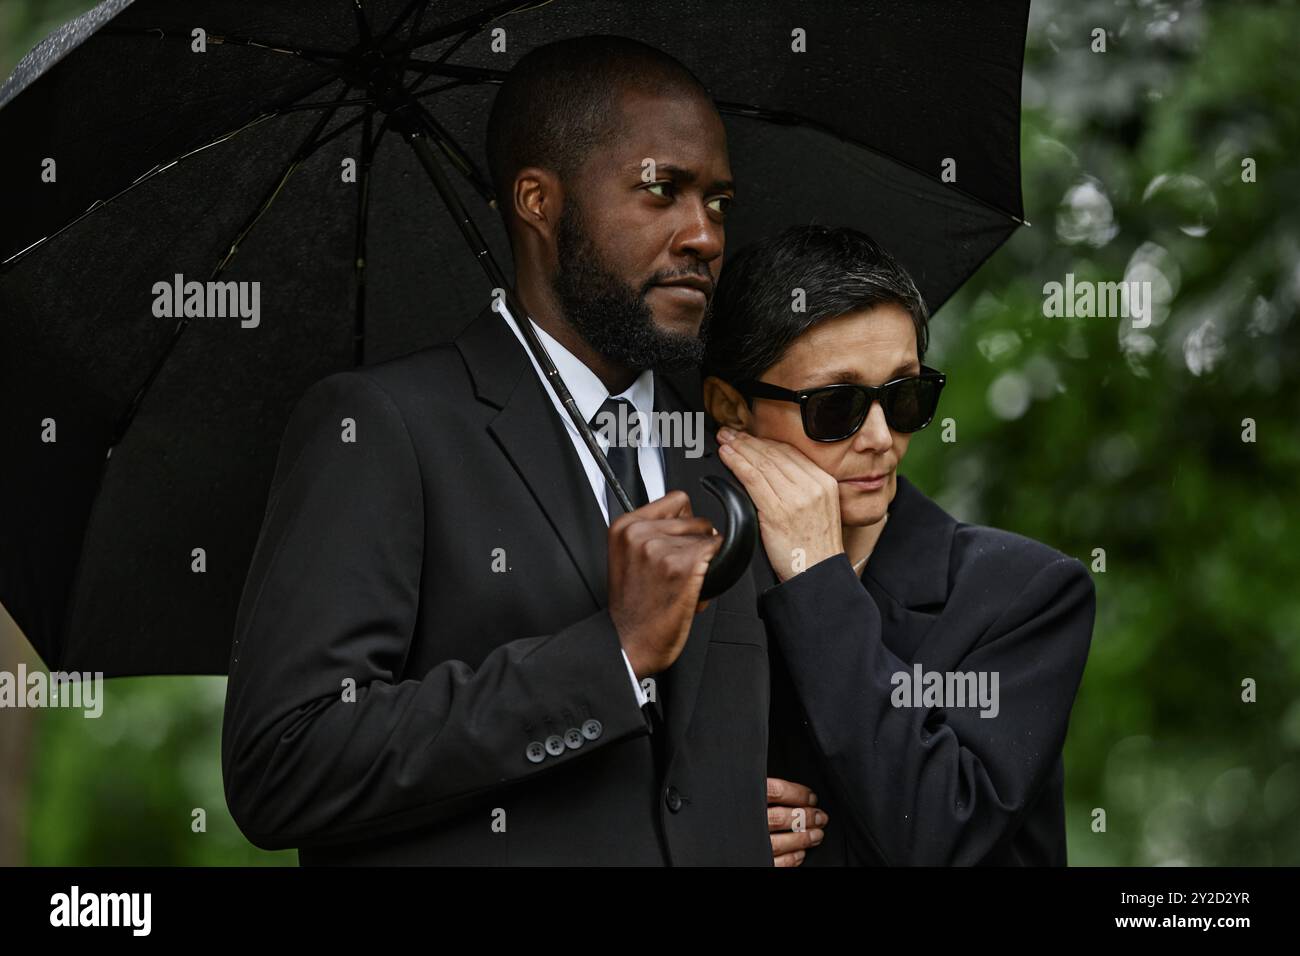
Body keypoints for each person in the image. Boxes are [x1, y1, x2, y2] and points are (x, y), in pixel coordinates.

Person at [222, 36, 816, 865]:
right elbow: (286, 762)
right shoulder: (381, 428)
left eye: (717, 200)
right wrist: (613, 653)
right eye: (662, 191)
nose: (706, 236)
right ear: (538, 200)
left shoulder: (729, 454)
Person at [701, 224, 1096, 865]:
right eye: (837, 405)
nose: (882, 437)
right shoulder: (695, 586)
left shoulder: (1026, 592)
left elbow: (938, 833)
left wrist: (816, 574)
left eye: (905, 395)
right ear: (729, 407)